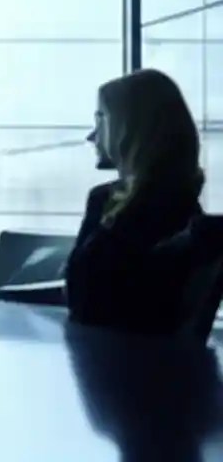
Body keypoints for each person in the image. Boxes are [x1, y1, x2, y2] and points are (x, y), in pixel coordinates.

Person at [65, 69, 223, 336]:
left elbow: (88, 300)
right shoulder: (173, 208)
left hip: (132, 370)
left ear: (127, 127)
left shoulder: (157, 214)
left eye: (100, 119)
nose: (91, 137)